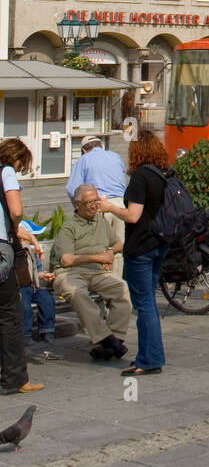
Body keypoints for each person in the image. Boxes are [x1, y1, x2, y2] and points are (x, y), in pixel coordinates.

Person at [97, 129, 170, 378]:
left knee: (145, 304)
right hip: (160, 244)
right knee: (149, 301)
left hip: (141, 247)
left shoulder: (140, 177)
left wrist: (109, 207)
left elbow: (133, 215)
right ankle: (153, 356)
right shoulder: (162, 174)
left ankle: (149, 359)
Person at [50, 186, 130, 361]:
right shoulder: (69, 227)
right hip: (70, 272)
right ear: (78, 204)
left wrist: (110, 251)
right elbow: (67, 260)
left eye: (96, 201)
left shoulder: (100, 222)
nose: (95, 206)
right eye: (90, 202)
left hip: (96, 272)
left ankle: (114, 339)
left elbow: (119, 243)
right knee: (77, 292)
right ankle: (106, 339)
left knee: (121, 289)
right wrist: (98, 257)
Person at [0, 140, 43, 395]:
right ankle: (15, 379)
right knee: (10, 315)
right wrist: (15, 226)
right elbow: (16, 210)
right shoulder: (5, 171)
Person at [66, 134, 127, 278]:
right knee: (117, 247)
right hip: (119, 205)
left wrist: (79, 209)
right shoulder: (115, 156)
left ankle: (100, 283)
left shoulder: (83, 160)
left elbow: (72, 188)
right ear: (101, 146)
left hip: (99, 205)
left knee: (99, 247)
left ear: (84, 150)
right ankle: (116, 285)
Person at [18, 224, 56, 345]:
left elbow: (36, 271)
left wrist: (43, 275)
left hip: (33, 286)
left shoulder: (32, 253)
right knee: (25, 306)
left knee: (47, 299)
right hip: (20, 287)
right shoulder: (14, 252)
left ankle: (47, 329)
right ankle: (26, 334)